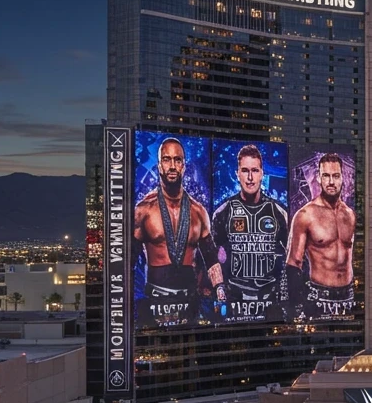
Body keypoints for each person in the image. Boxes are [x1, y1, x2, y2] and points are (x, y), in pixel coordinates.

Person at [132, 137, 225, 327]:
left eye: (177, 160)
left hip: (189, 303)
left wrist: (220, 291)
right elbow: (128, 262)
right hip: (155, 302)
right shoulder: (143, 210)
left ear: (184, 166)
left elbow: (211, 259)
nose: (172, 166)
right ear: (159, 166)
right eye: (167, 159)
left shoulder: (198, 212)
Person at [212, 144, 289, 322]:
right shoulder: (222, 213)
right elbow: (211, 262)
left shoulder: (279, 213)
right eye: (245, 171)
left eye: (254, 171)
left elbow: (293, 259)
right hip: (234, 304)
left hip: (270, 305)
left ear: (262, 173)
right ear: (237, 174)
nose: (250, 177)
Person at [286, 153, 356, 320]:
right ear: (319, 178)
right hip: (318, 299)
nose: (331, 182)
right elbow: (294, 264)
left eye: (336, 176)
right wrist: (297, 307)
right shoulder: (305, 215)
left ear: (343, 178)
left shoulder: (350, 214)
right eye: (326, 176)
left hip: (349, 299)